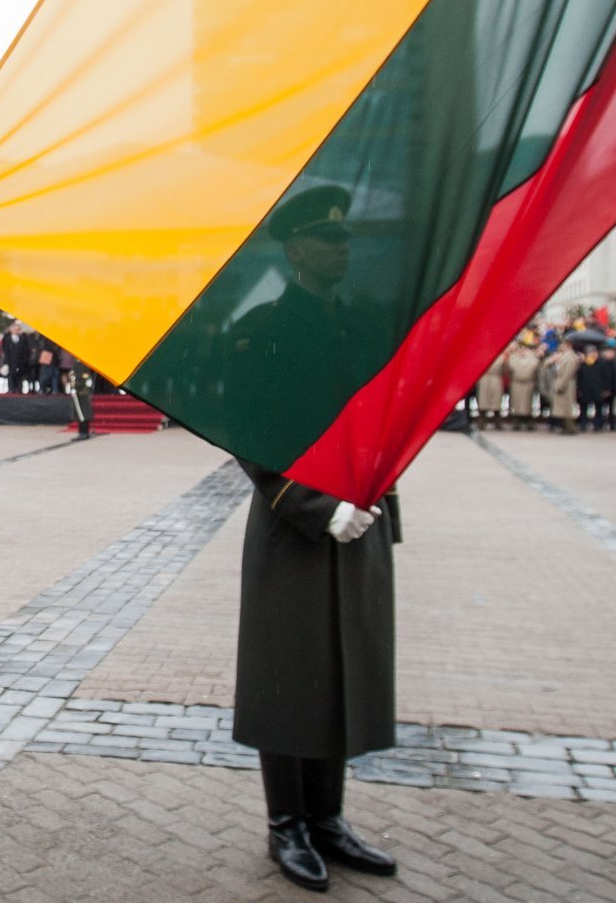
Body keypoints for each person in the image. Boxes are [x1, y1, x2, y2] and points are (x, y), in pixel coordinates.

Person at [228, 185, 399, 893]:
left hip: (359, 519)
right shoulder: (263, 328)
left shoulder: (360, 325)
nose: (344, 249)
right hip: (294, 525)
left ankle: (328, 818)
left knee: (343, 670)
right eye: (330, 240)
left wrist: (374, 494)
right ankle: (287, 825)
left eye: (348, 240)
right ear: (296, 249)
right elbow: (252, 433)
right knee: (287, 675)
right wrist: (316, 506)